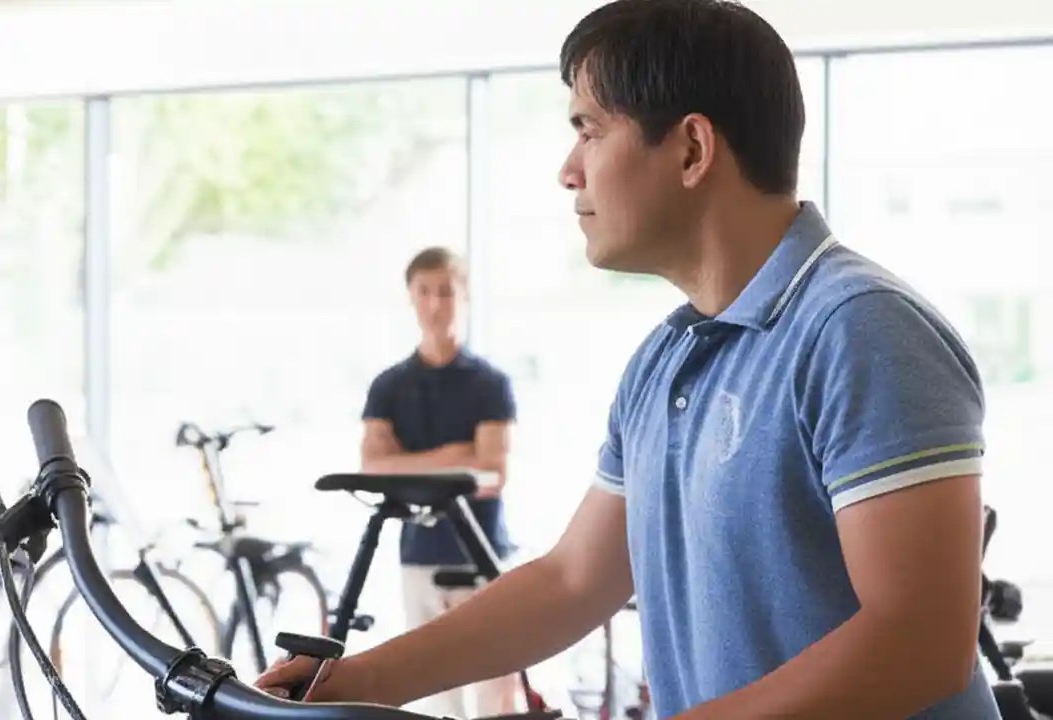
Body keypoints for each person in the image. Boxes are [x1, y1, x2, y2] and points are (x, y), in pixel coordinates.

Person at [259, 1, 1001, 717]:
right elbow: (574, 580)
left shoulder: (857, 327)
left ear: (690, 149)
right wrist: (356, 681)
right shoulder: (664, 359)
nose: (567, 170)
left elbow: (920, 641)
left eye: (589, 131)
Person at [356, 246, 522, 718]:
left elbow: (492, 474)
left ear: (463, 296)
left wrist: (405, 463)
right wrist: (453, 457)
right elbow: (371, 467)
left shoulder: (489, 383)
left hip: (482, 553)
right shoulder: (388, 386)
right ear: (411, 298)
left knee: (496, 691)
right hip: (418, 556)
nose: (435, 304)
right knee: (433, 698)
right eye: (424, 292)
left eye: (446, 292)